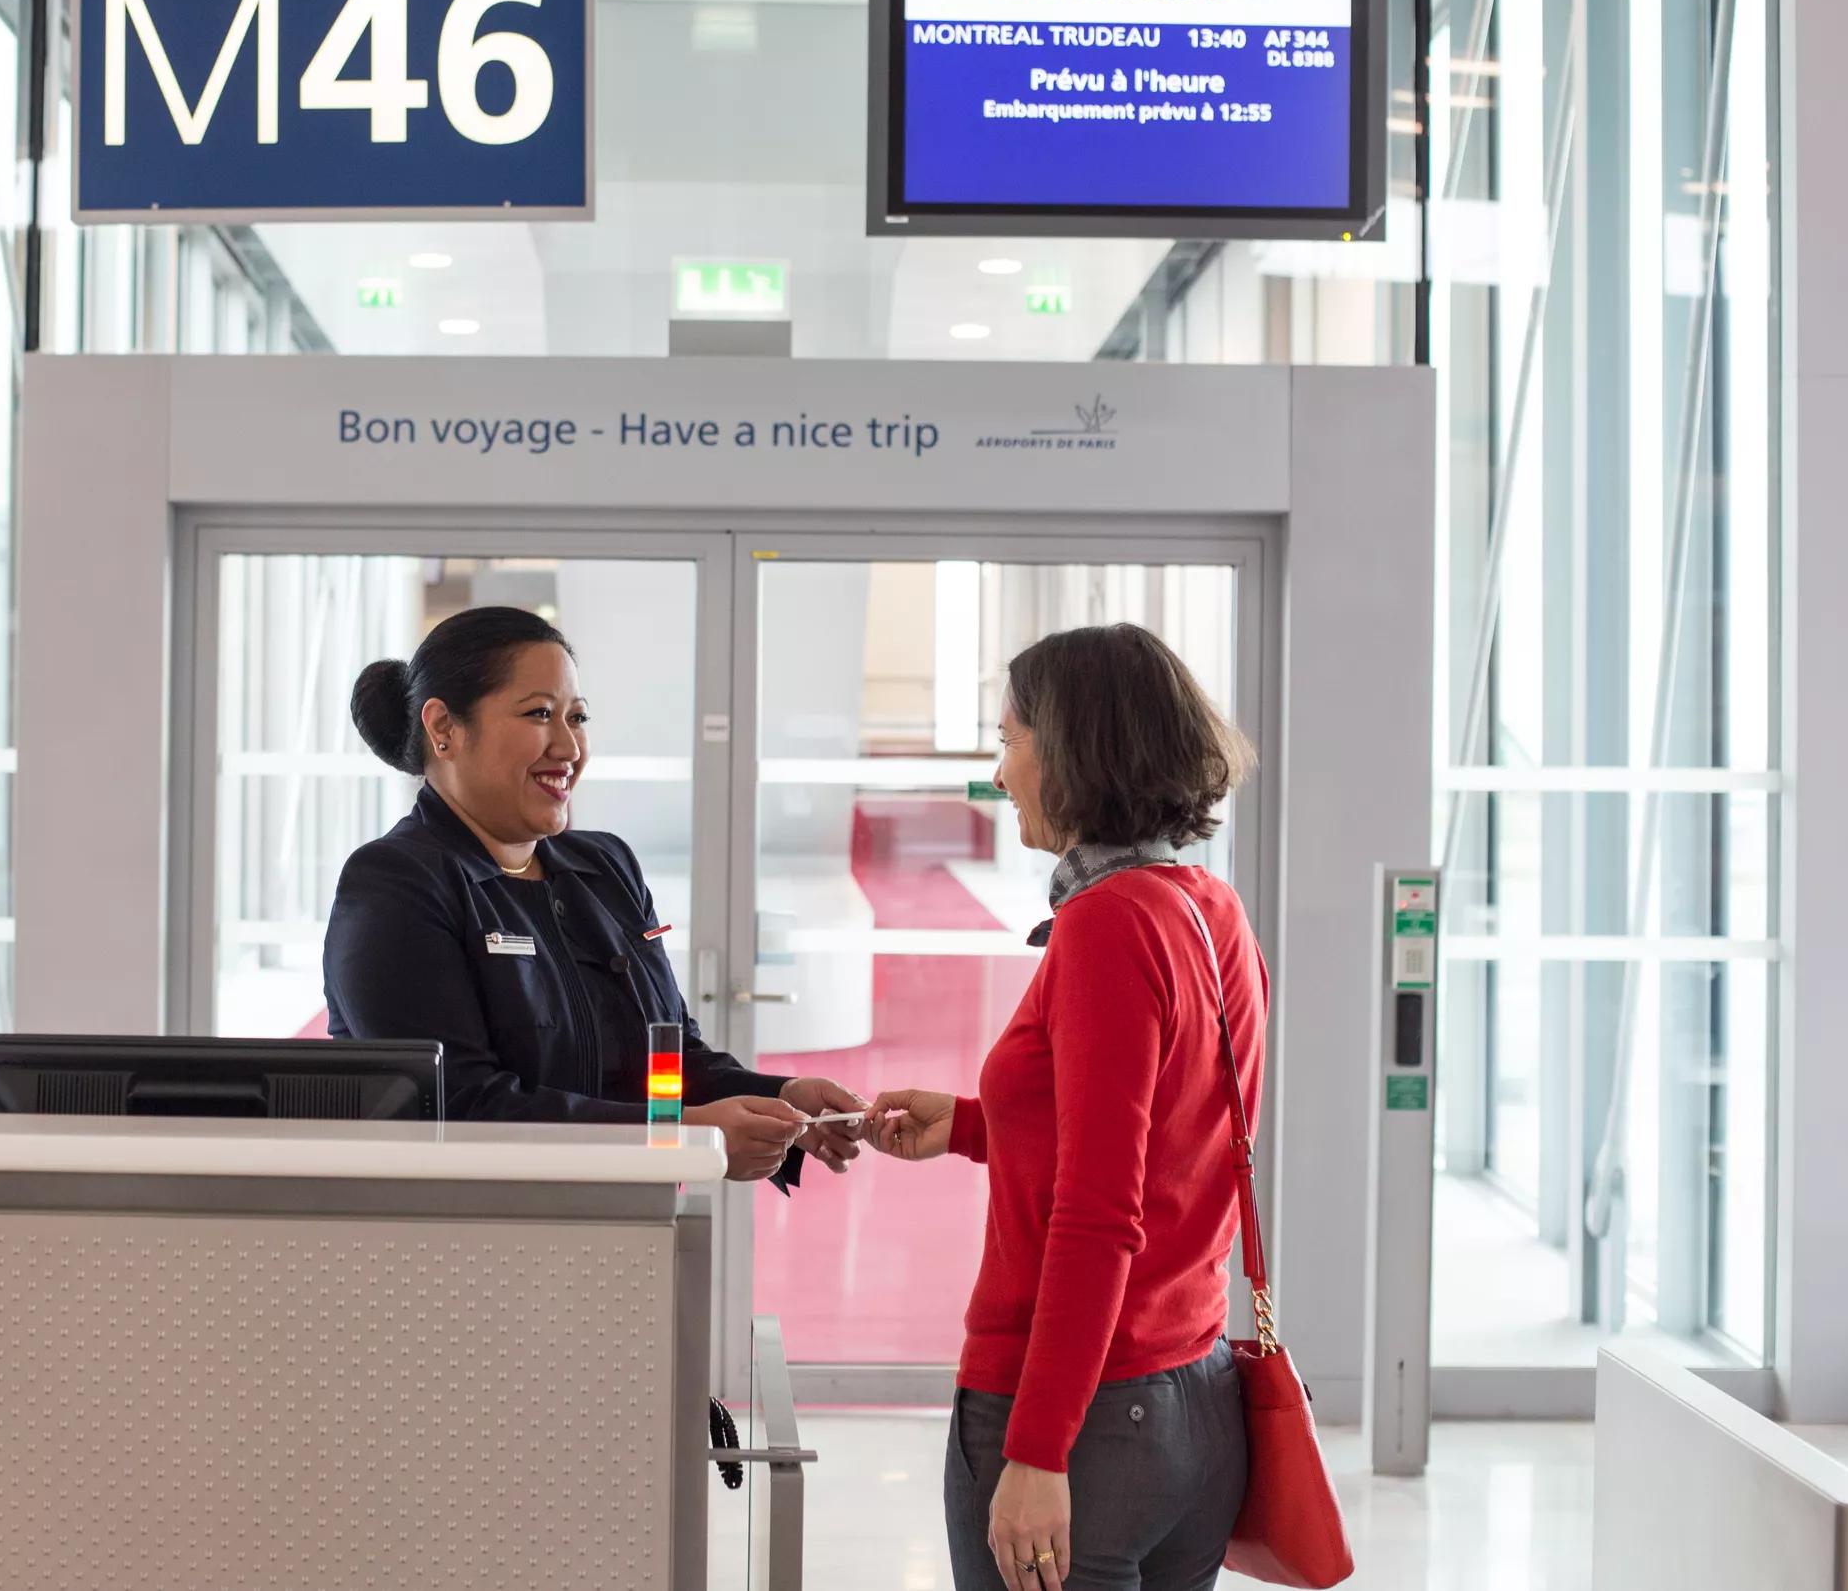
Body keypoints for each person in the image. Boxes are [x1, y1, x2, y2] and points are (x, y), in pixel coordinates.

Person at [864, 624, 1264, 1591]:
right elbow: (1174, 1143)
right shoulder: (1206, 906)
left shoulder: (1106, 926)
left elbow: (1098, 1213)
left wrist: (1037, 1450)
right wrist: (967, 1126)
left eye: (1009, 740)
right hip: (1195, 1404)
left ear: (1075, 749)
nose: (1000, 773)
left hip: (1084, 1425)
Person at [322, 605, 866, 1184]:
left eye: (578, 718)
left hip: (628, 1231)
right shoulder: (396, 884)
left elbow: (671, 1061)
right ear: (443, 729)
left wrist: (783, 1099)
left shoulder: (605, 868)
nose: (568, 747)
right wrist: (684, 1138)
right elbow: (458, 1110)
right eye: (539, 714)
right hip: (475, 1245)